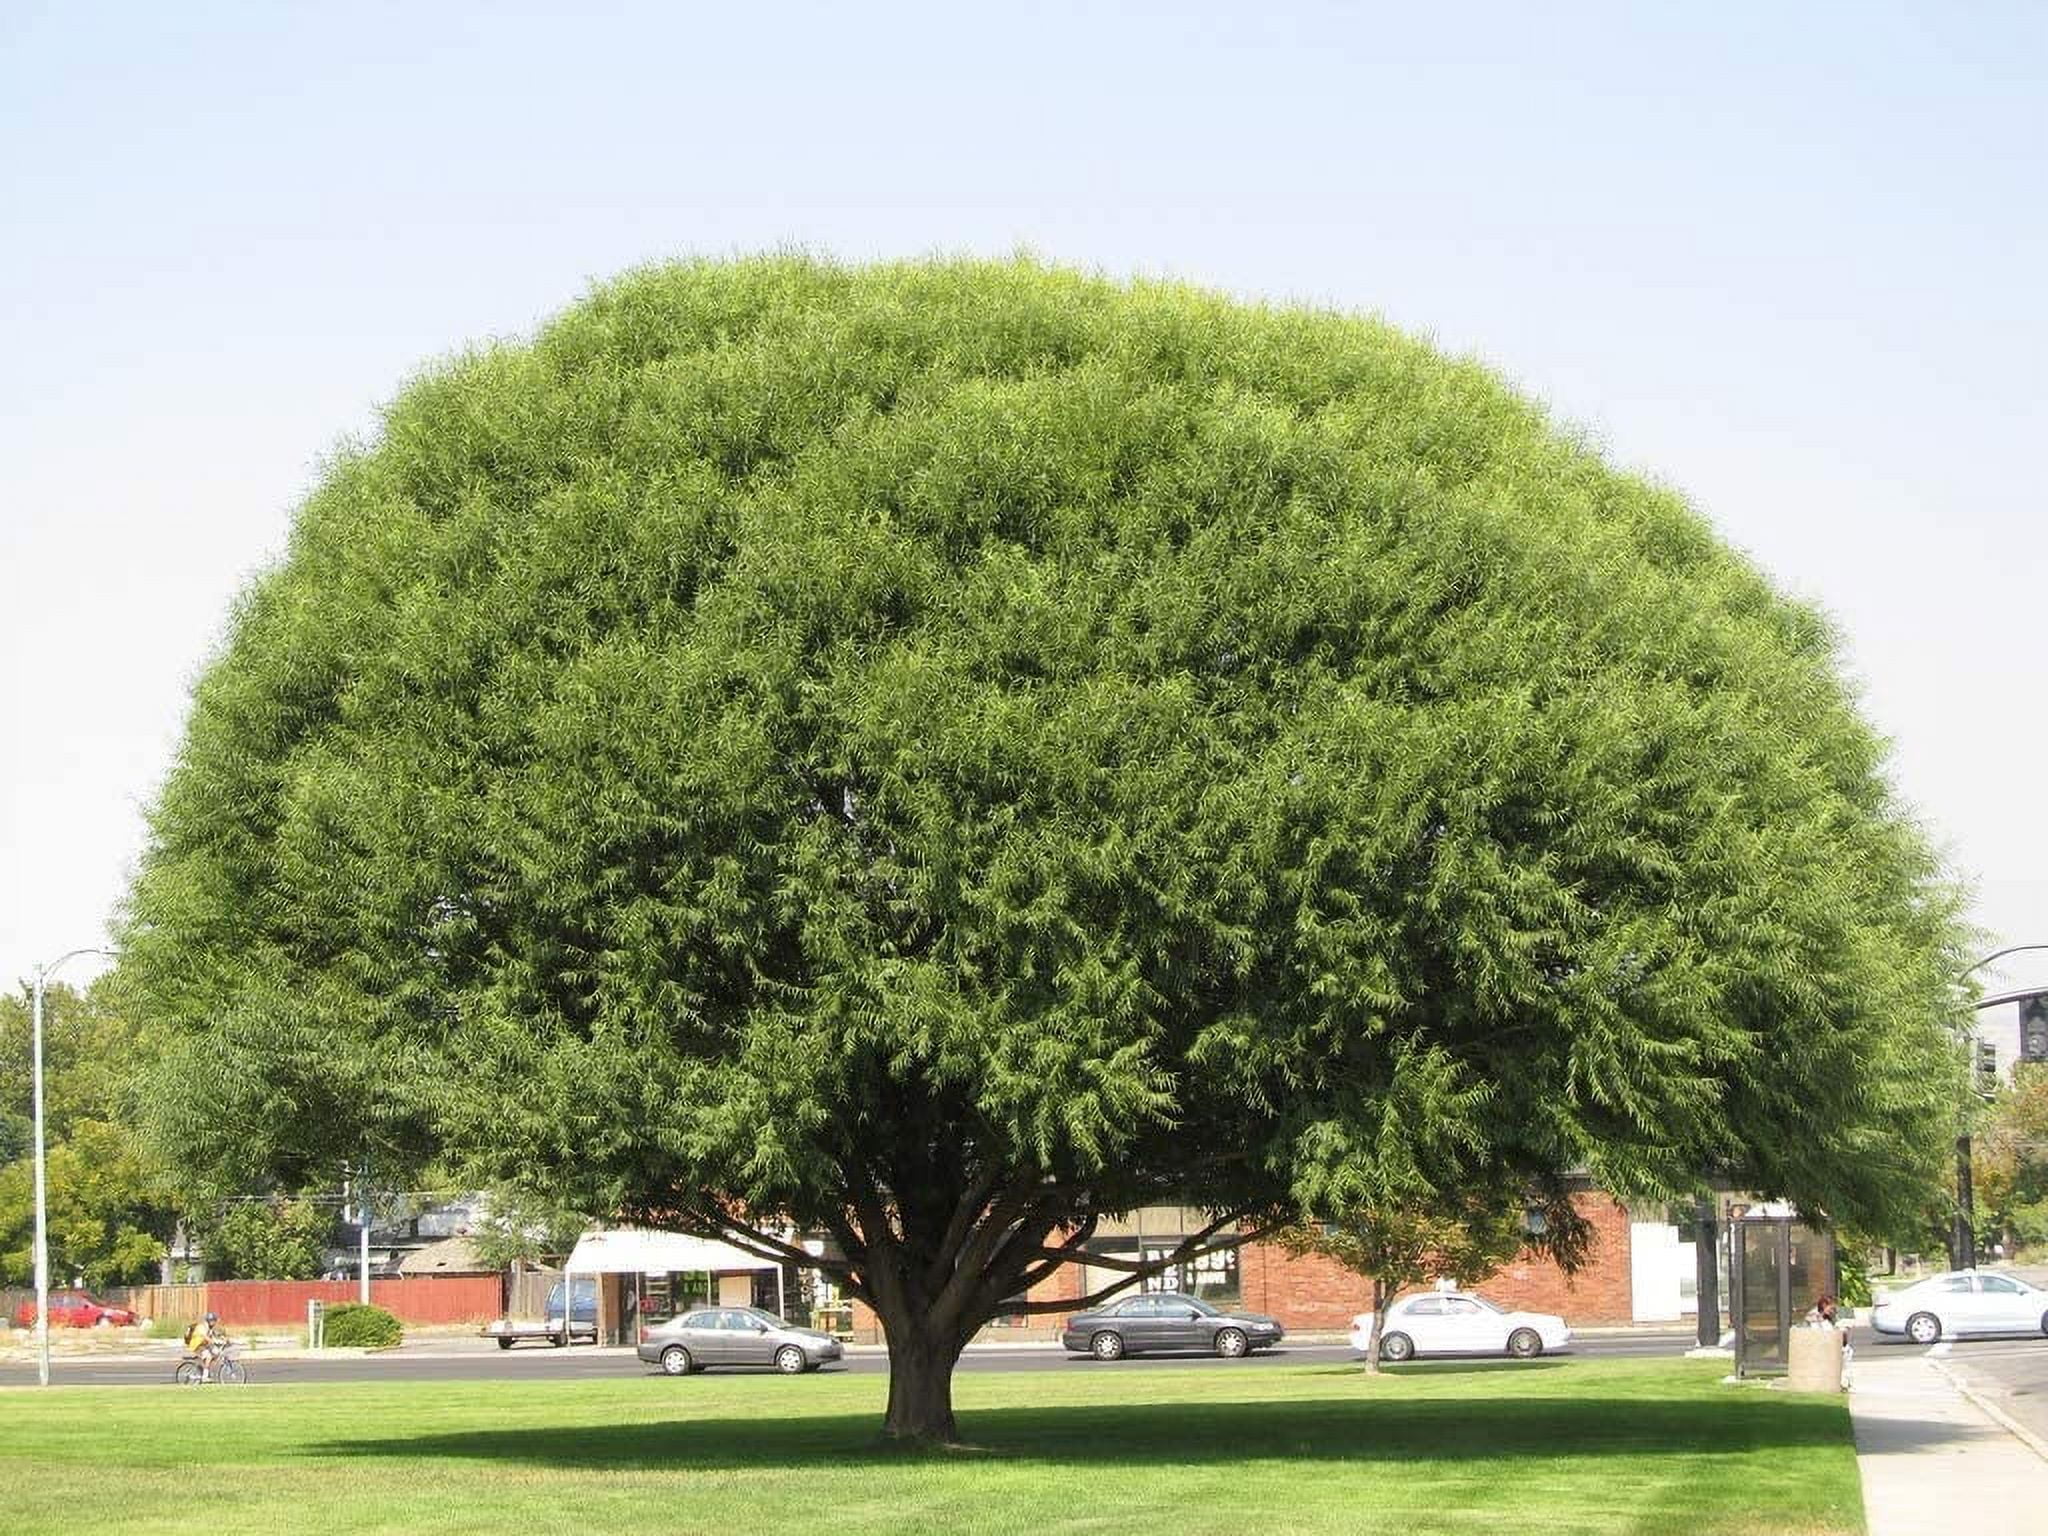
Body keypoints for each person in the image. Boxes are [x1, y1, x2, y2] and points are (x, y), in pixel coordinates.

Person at [183, 1311, 228, 1381]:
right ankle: (205, 1376)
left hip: (203, 1345)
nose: (215, 1322)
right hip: (196, 1346)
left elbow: (215, 1334)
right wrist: (214, 1342)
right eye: (214, 1321)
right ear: (210, 1321)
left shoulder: (209, 1327)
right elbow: (205, 1337)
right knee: (208, 1356)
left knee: (216, 1352)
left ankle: (205, 1368)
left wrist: (224, 1339)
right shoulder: (202, 1327)